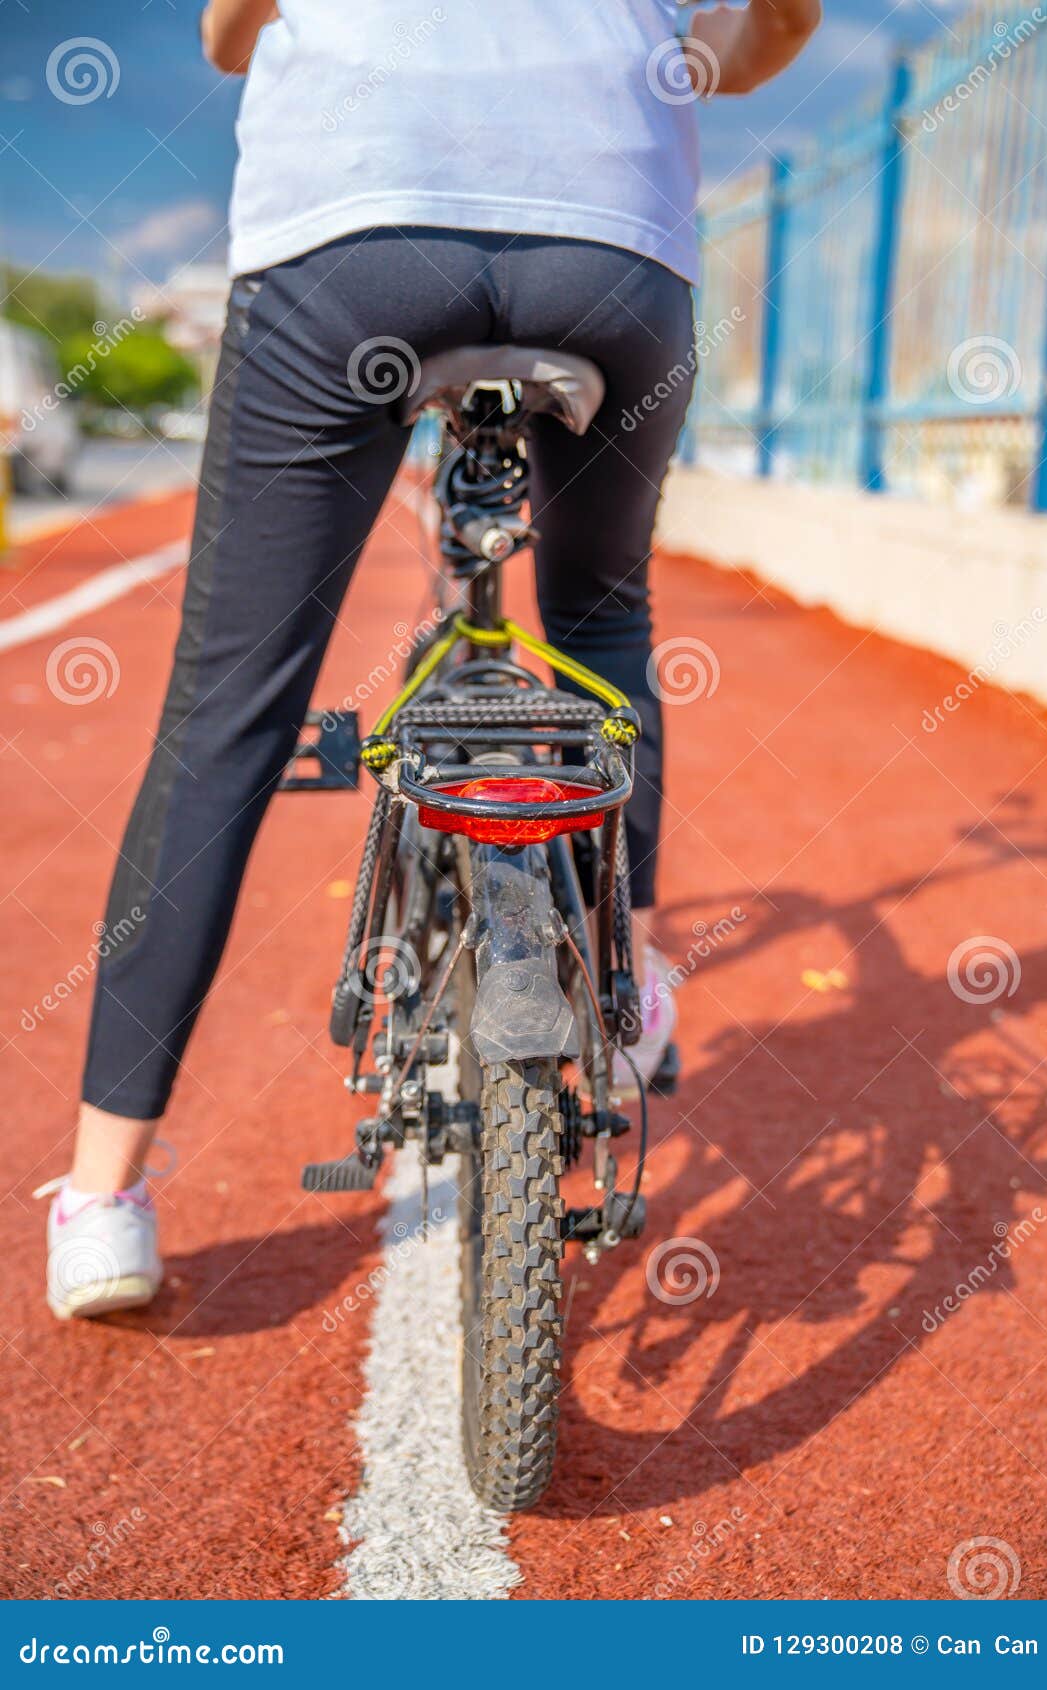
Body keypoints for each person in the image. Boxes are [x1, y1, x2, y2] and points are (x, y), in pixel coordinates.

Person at [43, 0, 822, 1318]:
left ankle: (105, 1199)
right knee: (601, 621)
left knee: (228, 701)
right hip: (610, 249)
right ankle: (623, 979)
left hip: (358, 228)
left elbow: (233, 26)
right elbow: (780, 19)